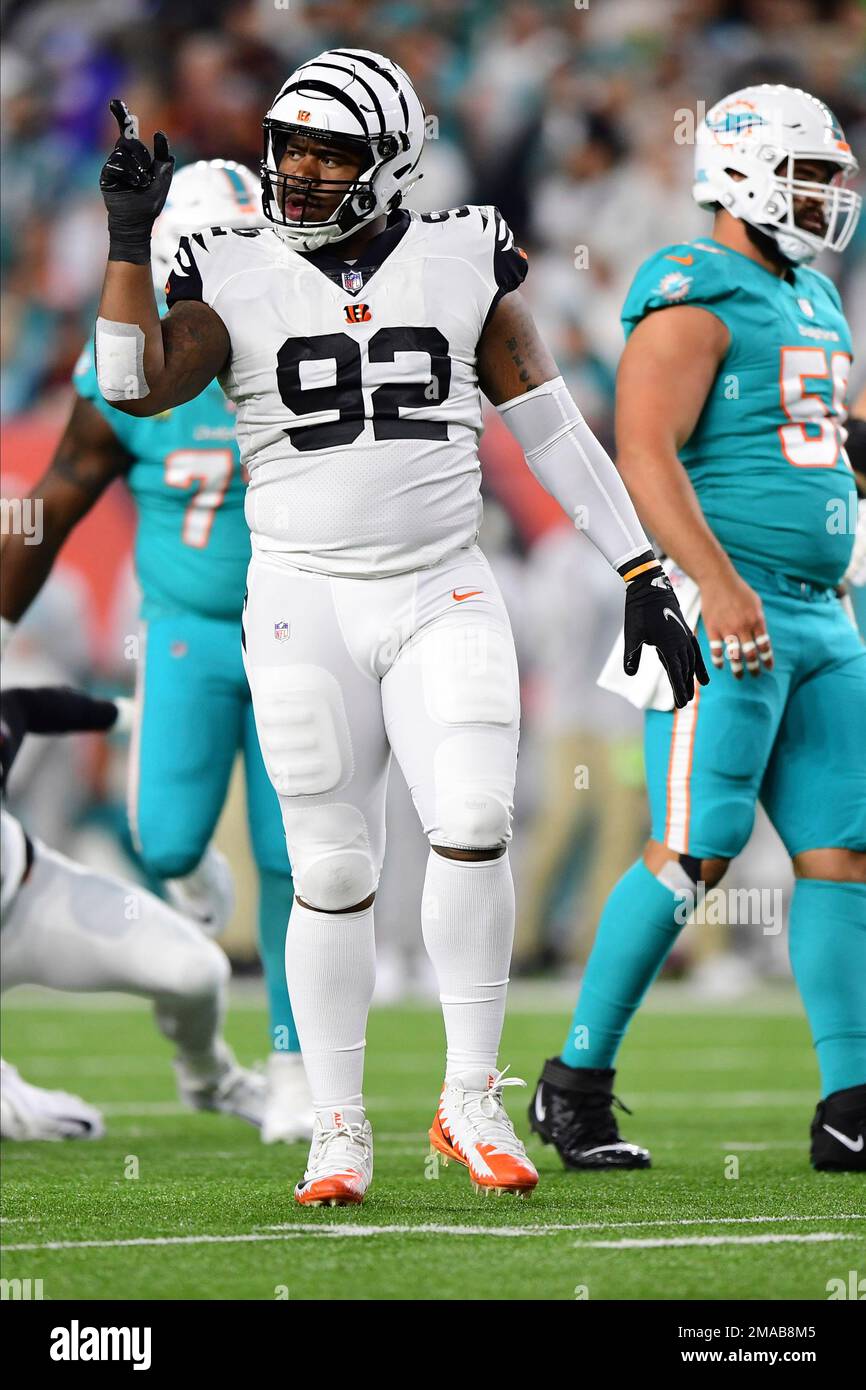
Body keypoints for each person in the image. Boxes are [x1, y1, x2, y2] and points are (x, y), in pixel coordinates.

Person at [90, 49, 701, 1206]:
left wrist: (638, 565)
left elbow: (551, 424)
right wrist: (127, 240)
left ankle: (470, 1096)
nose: (303, 171)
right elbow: (134, 385)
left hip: (438, 584)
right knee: (329, 866)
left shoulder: (461, 253)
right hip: (301, 596)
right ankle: (335, 1125)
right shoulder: (228, 259)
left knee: (473, 816)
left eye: (331, 152)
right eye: (290, 147)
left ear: (392, 163)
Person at [530, 85, 865, 1174]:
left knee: (840, 857)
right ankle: (573, 1085)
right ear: (745, 171)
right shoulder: (690, 285)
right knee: (691, 853)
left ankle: (849, 1102)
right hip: (726, 606)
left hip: (823, 614)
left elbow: (800, 434)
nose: (825, 198)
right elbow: (643, 451)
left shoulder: (809, 297)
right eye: (808, 175)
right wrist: (715, 584)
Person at [0, 160, 312, 1145]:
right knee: (171, 840)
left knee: (291, 851)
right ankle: (185, 887)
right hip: (184, 631)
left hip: (299, 632)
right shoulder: (132, 374)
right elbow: (54, 500)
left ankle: (296, 1065)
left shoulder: (304, 356)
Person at [0, 685, 265, 1140]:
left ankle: (210, 1078)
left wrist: (135, 718)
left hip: (28, 897)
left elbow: (24, 707)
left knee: (196, 970)